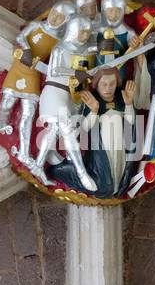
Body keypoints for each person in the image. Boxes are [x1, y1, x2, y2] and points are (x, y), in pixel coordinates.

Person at [0, 0, 74, 165]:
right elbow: (20, 36)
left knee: (28, 113)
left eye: (60, 18)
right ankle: (1, 123)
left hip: (33, 73)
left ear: (65, 22)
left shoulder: (59, 41)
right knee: (7, 102)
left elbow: (56, 63)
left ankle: (24, 152)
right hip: (20, 66)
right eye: (54, 13)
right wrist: (26, 49)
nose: (55, 18)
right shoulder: (37, 26)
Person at [29, 14, 99, 191]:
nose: (84, 36)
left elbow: (90, 51)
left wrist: (100, 47)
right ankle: (81, 172)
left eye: (87, 33)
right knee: (66, 130)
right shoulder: (60, 48)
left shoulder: (81, 48)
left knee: (57, 130)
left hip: (68, 94)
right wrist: (75, 72)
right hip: (54, 91)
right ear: (74, 30)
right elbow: (55, 69)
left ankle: (38, 165)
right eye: (82, 32)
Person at [49, 67, 136, 198]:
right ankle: (62, 171)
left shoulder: (121, 98)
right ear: (97, 85)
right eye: (104, 84)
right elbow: (83, 129)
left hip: (119, 147)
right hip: (100, 151)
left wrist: (129, 104)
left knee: (117, 175)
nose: (108, 88)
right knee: (102, 184)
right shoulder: (92, 101)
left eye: (112, 84)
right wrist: (94, 111)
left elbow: (130, 123)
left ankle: (115, 188)